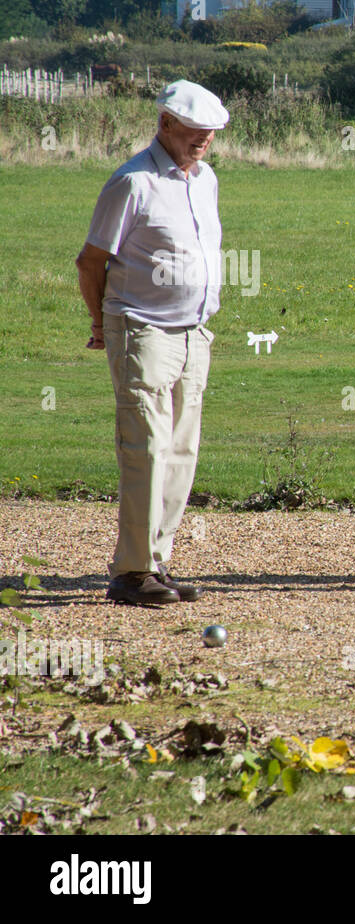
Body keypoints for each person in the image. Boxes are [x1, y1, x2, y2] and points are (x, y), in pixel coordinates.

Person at [76, 80, 229, 606]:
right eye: (195, 132)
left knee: (182, 451)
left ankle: (154, 562)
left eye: (210, 133)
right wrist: (103, 325)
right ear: (165, 125)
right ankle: (131, 572)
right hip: (141, 328)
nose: (204, 141)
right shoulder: (131, 182)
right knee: (146, 448)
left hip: (194, 331)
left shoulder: (205, 179)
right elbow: (91, 262)